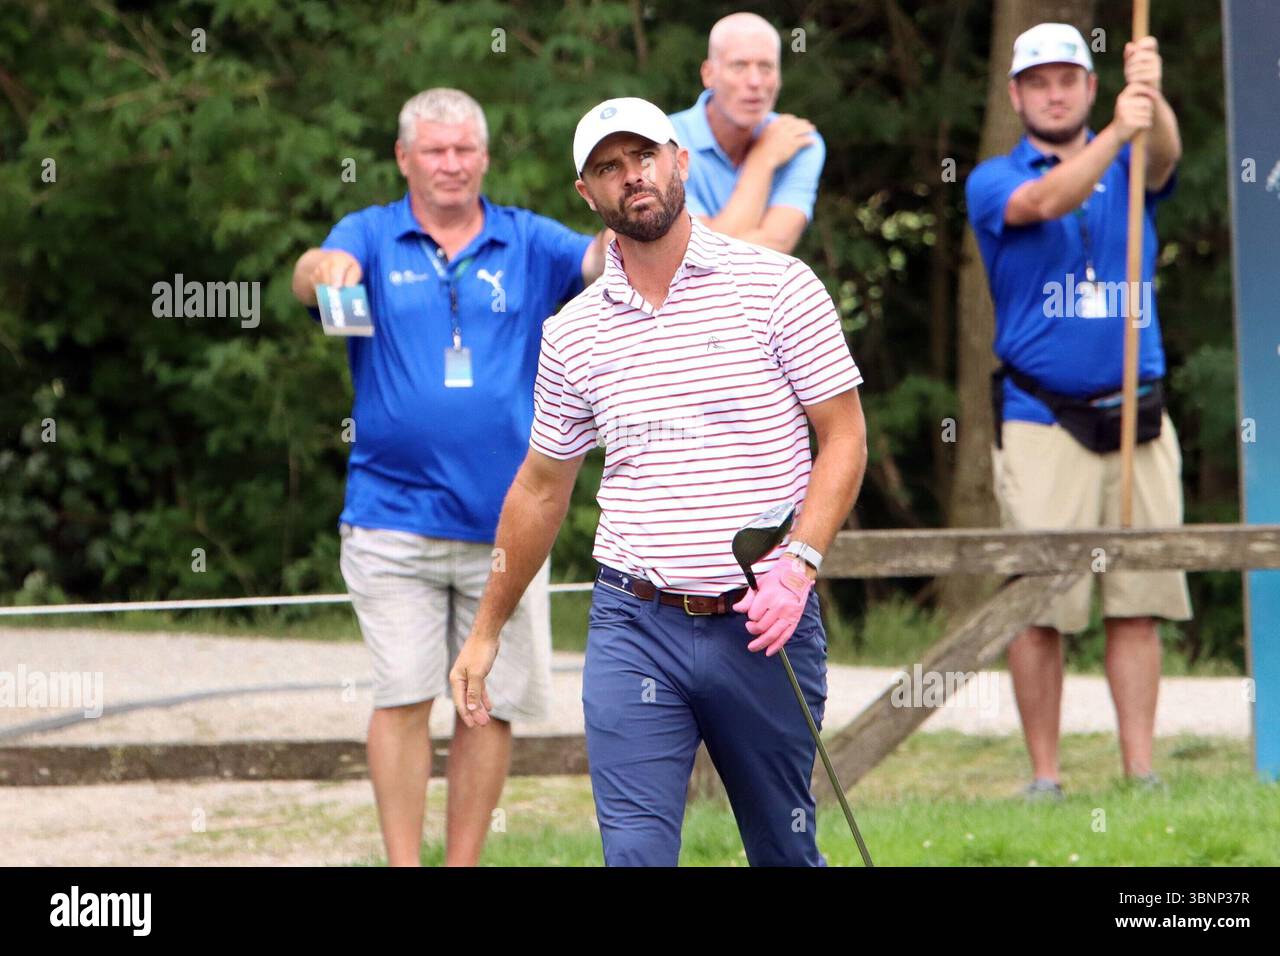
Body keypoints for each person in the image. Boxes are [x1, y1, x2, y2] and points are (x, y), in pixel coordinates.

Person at [449, 97, 866, 866]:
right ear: (587, 193)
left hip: (762, 621)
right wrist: (485, 632)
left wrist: (802, 559)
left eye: (644, 156)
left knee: (784, 847)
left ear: (680, 159)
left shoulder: (777, 286)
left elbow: (843, 435)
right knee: (636, 856)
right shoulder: (572, 332)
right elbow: (541, 489)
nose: (631, 176)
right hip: (634, 623)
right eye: (608, 166)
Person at [290, 87, 609, 866]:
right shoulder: (368, 233)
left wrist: (631, 212)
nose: (451, 164)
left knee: (485, 707)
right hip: (390, 517)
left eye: (465, 149)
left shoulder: (530, 242)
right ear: (404, 158)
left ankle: (461, 864)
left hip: (511, 525)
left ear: (485, 157)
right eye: (435, 150)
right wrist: (320, 268)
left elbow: (602, 263)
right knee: (402, 695)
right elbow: (312, 276)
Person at [965, 24, 1191, 797]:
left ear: (1091, 88)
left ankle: (1141, 772)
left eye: (1069, 78)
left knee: (1139, 596)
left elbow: (1163, 157)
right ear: (1017, 95)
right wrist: (1117, 134)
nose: (1056, 91)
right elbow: (1049, 197)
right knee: (1040, 603)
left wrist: (1150, 96)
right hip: (1040, 415)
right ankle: (1045, 777)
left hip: (1139, 413)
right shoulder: (993, 178)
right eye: (1040, 81)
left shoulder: (1133, 156)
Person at [667, 11, 825, 253]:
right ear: (708, 74)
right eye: (739, 66)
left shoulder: (800, 142)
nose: (754, 81)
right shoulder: (665, 141)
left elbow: (777, 246)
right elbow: (697, 254)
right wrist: (763, 160)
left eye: (766, 67)